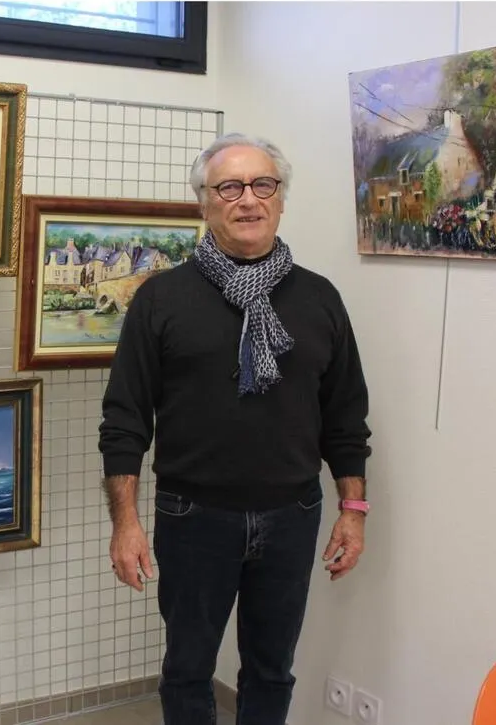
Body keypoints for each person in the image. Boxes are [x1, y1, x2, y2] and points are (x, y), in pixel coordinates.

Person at [97, 133, 372, 725]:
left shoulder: (320, 299)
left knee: (272, 670)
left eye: (263, 185)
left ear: (280, 198)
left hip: (292, 516)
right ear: (205, 202)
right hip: (192, 518)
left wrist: (354, 511)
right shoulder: (162, 299)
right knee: (189, 670)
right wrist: (126, 523)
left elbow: (346, 418)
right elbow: (124, 419)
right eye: (230, 187)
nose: (248, 200)